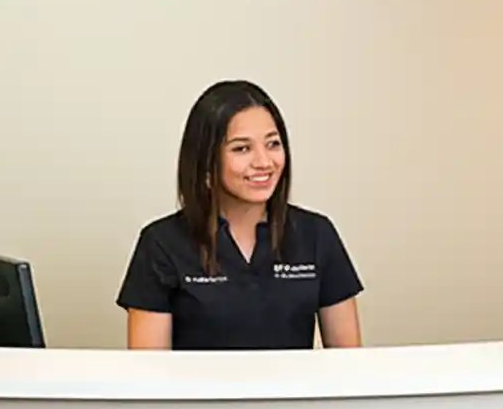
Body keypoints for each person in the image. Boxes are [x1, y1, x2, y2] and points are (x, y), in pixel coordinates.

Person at [116, 80, 364, 350]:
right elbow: (149, 377)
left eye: (273, 144)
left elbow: (347, 365)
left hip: (291, 393)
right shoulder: (161, 243)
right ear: (205, 159)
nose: (264, 162)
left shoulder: (316, 234)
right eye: (241, 148)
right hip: (200, 393)